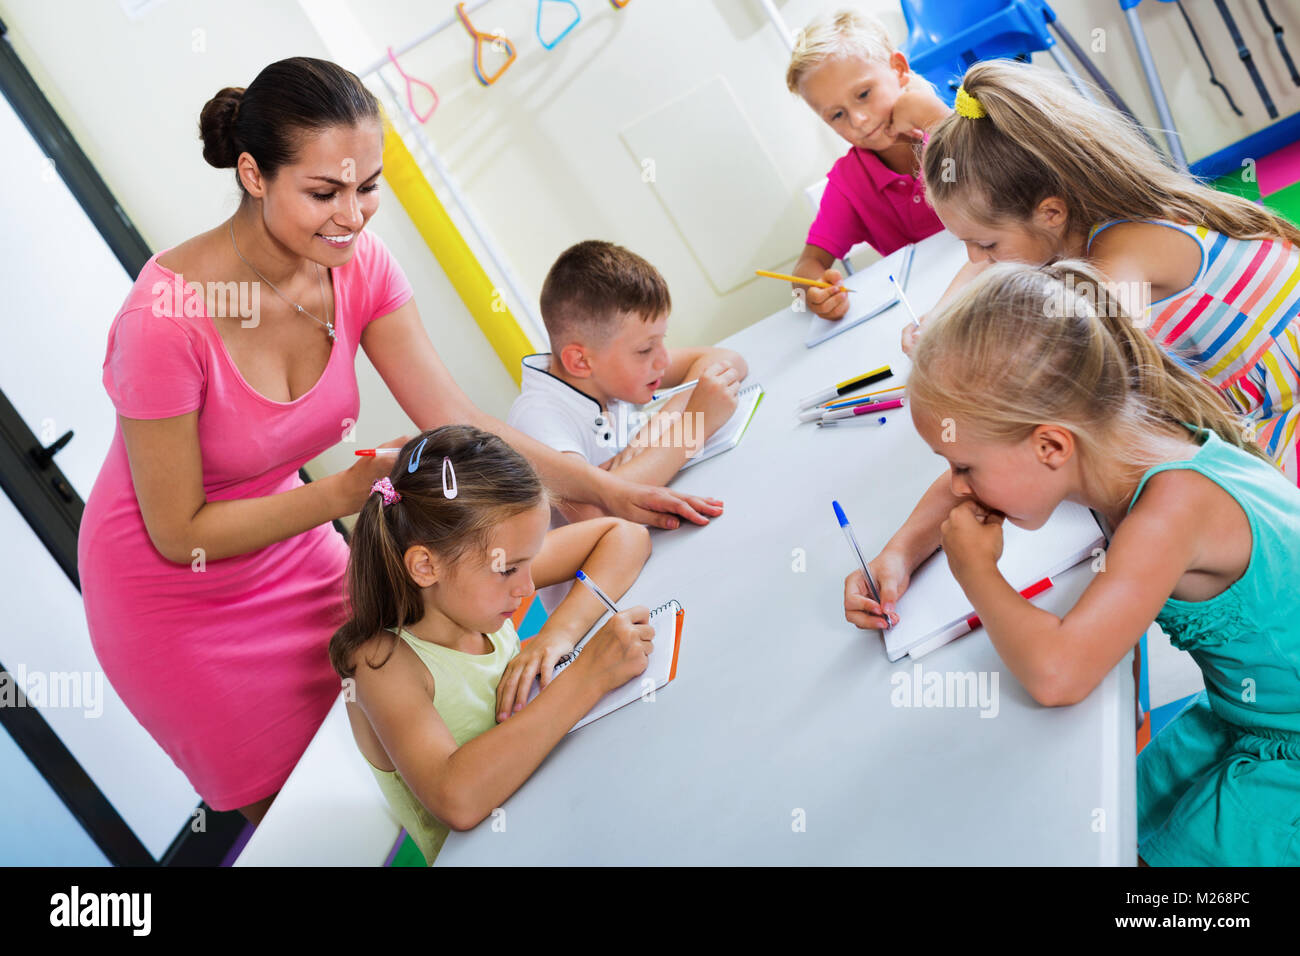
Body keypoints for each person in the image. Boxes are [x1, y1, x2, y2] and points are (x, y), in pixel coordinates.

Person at [77, 57, 721, 825]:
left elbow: (456, 416)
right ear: (252, 174)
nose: (352, 214)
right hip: (177, 603)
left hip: (296, 541)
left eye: (367, 186)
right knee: (309, 818)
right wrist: (344, 496)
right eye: (323, 193)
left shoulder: (358, 269)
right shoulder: (162, 324)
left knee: (411, 751)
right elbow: (178, 529)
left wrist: (606, 489)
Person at [845, 261, 1300, 864]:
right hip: (1246, 711)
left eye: (963, 467)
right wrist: (898, 553)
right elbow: (971, 475)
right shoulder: (1115, 432)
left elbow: (1058, 676)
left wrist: (976, 572)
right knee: (1109, 823)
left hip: (1286, 745)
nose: (955, 486)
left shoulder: (1171, 512)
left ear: (1050, 446)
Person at [333, 425, 657, 865]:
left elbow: (624, 536)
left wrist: (556, 634)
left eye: (529, 562)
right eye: (510, 571)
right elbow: (457, 800)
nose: (527, 588)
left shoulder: (476, 580)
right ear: (426, 565)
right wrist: (587, 678)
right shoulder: (380, 664)